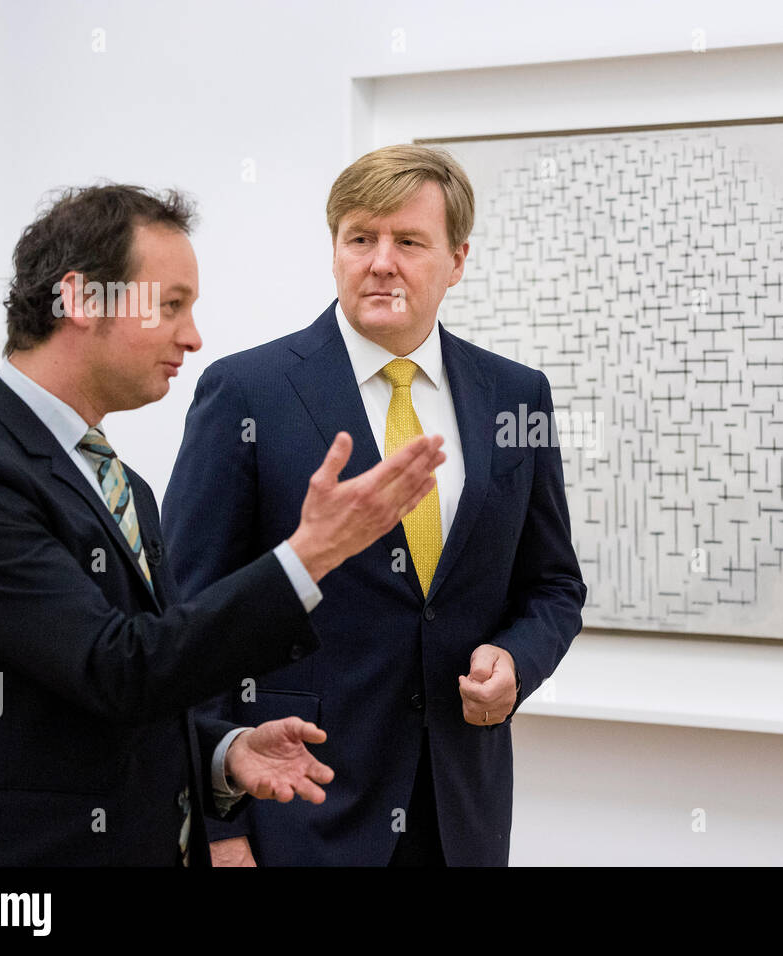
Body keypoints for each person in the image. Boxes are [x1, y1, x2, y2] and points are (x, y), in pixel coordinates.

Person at [0, 184, 445, 865]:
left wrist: (224, 753)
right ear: (79, 298)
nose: (192, 336)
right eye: (171, 305)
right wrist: (309, 555)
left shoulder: (125, 486)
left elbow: (146, 677)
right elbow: (116, 667)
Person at [162, 145, 586, 866]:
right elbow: (188, 621)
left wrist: (517, 661)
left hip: (458, 812)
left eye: (409, 241)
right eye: (360, 238)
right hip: (299, 811)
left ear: (457, 261)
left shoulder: (516, 396)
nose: (381, 261)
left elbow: (553, 585)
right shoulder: (246, 393)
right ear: (335, 252)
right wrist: (221, 829)